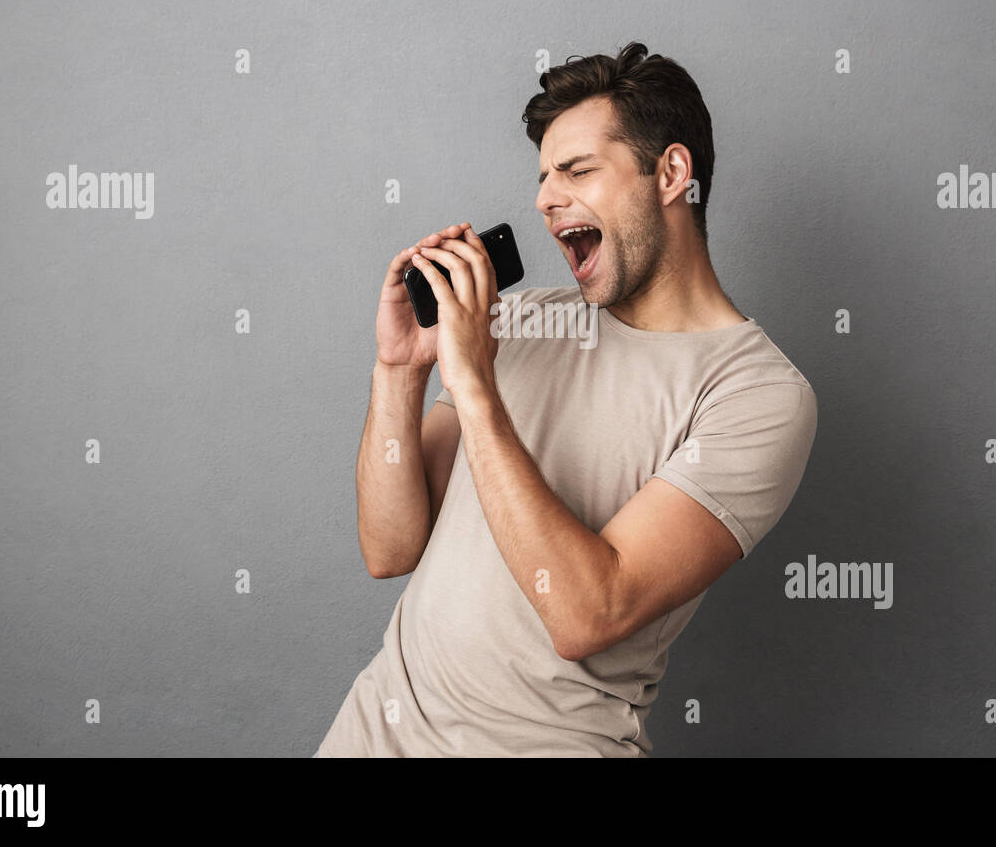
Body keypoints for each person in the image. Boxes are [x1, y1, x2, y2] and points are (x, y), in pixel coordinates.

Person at [314, 42, 817, 756]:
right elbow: (389, 547)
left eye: (577, 170)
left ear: (671, 173)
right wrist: (400, 372)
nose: (546, 198)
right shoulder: (519, 321)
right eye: (544, 176)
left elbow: (590, 611)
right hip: (374, 734)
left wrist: (477, 383)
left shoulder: (757, 394)